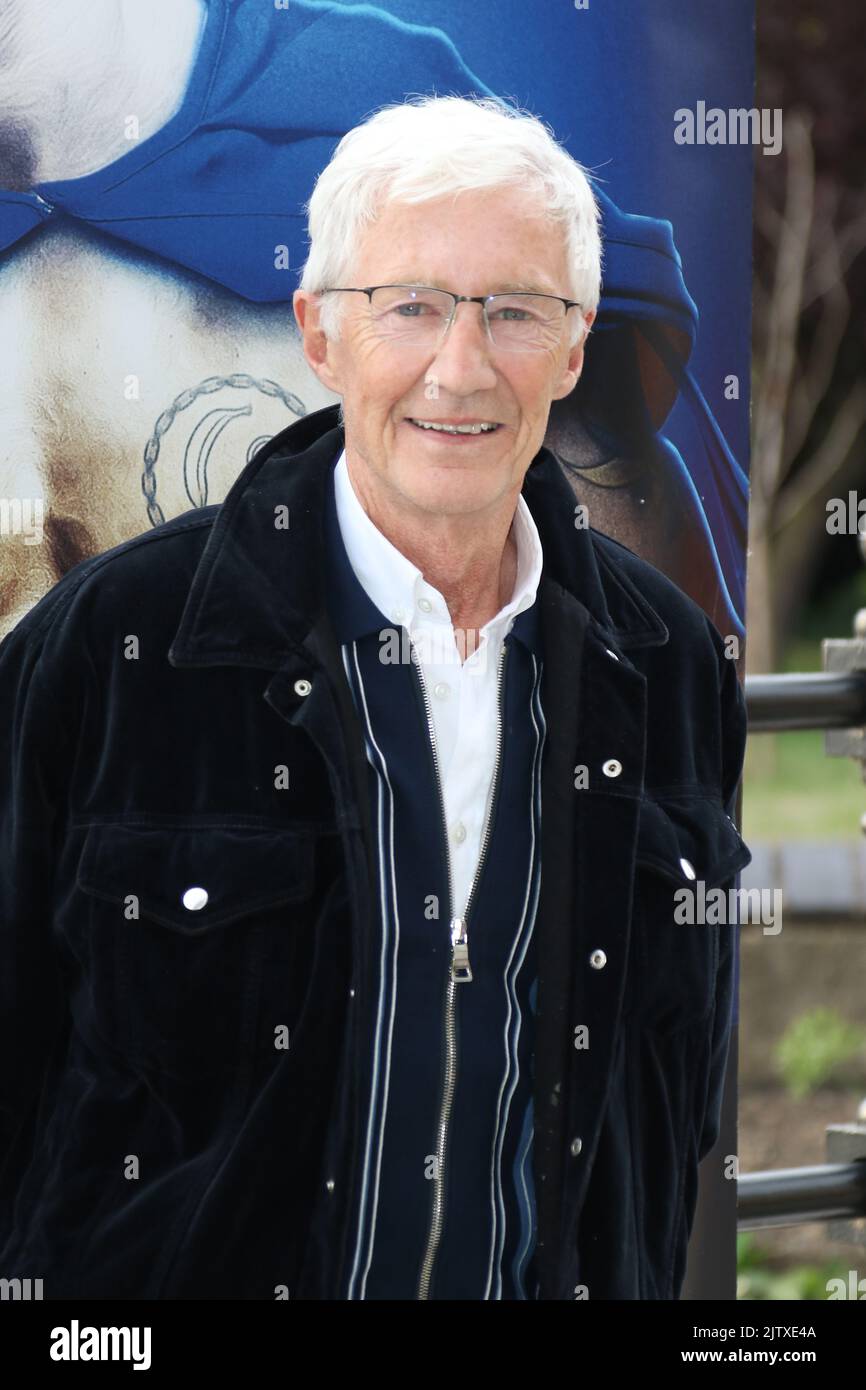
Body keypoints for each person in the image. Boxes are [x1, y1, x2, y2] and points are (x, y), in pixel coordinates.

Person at [0, 94, 751, 1300]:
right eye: (408, 306)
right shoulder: (108, 647)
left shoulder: (662, 659)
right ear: (317, 333)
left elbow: (664, 1104)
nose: (459, 368)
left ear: (573, 346)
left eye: (514, 310)